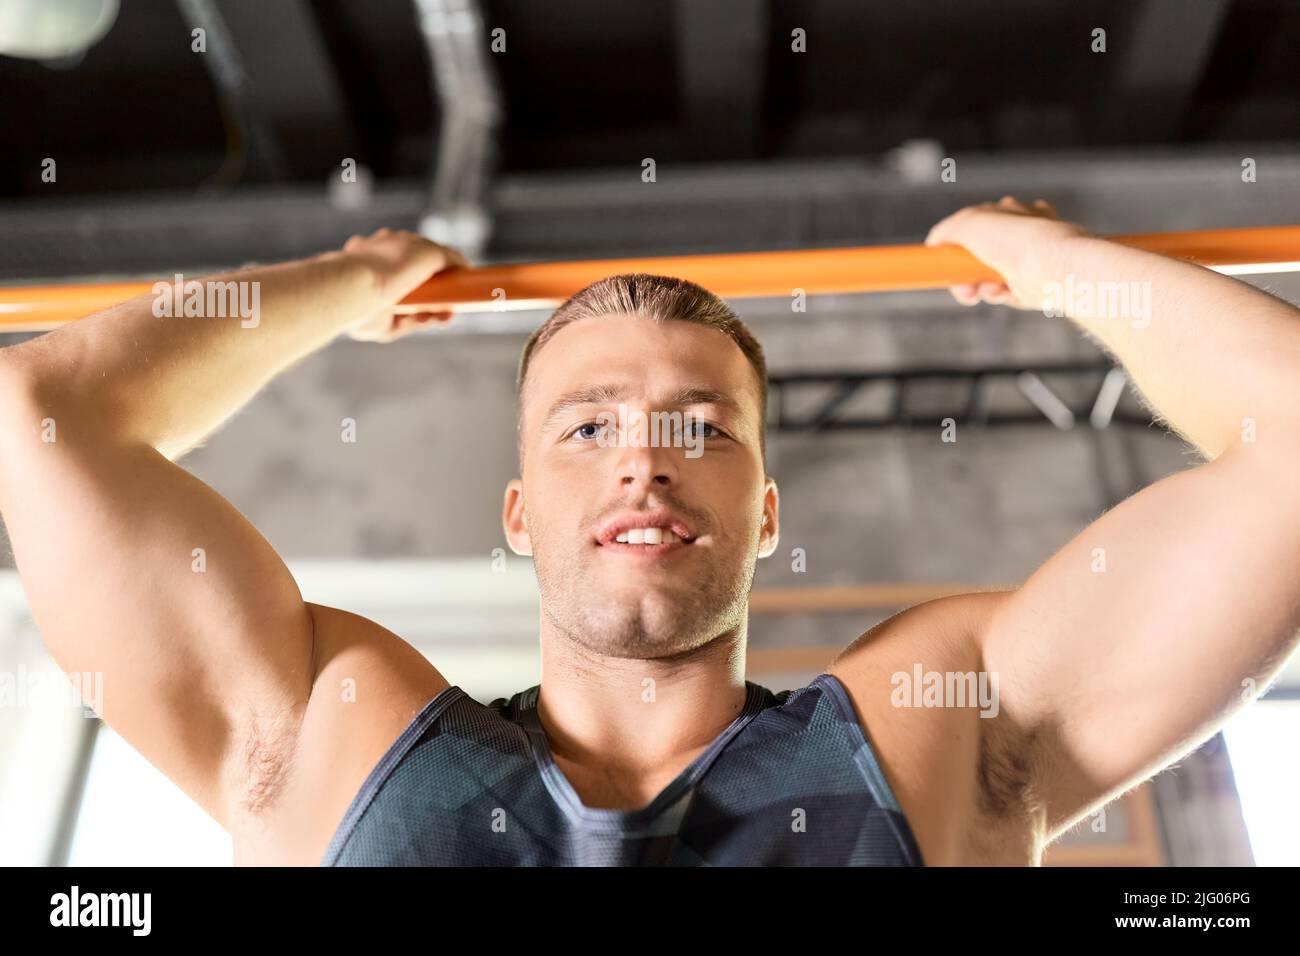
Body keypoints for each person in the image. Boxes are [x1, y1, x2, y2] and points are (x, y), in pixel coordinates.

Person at [1, 198, 1296, 865]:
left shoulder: (933, 731)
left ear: (765, 510)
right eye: (586, 428)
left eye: (702, 428)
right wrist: (345, 286)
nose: (645, 463)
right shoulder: (330, 737)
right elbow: (49, 410)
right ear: (519, 515)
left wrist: (1055, 255)